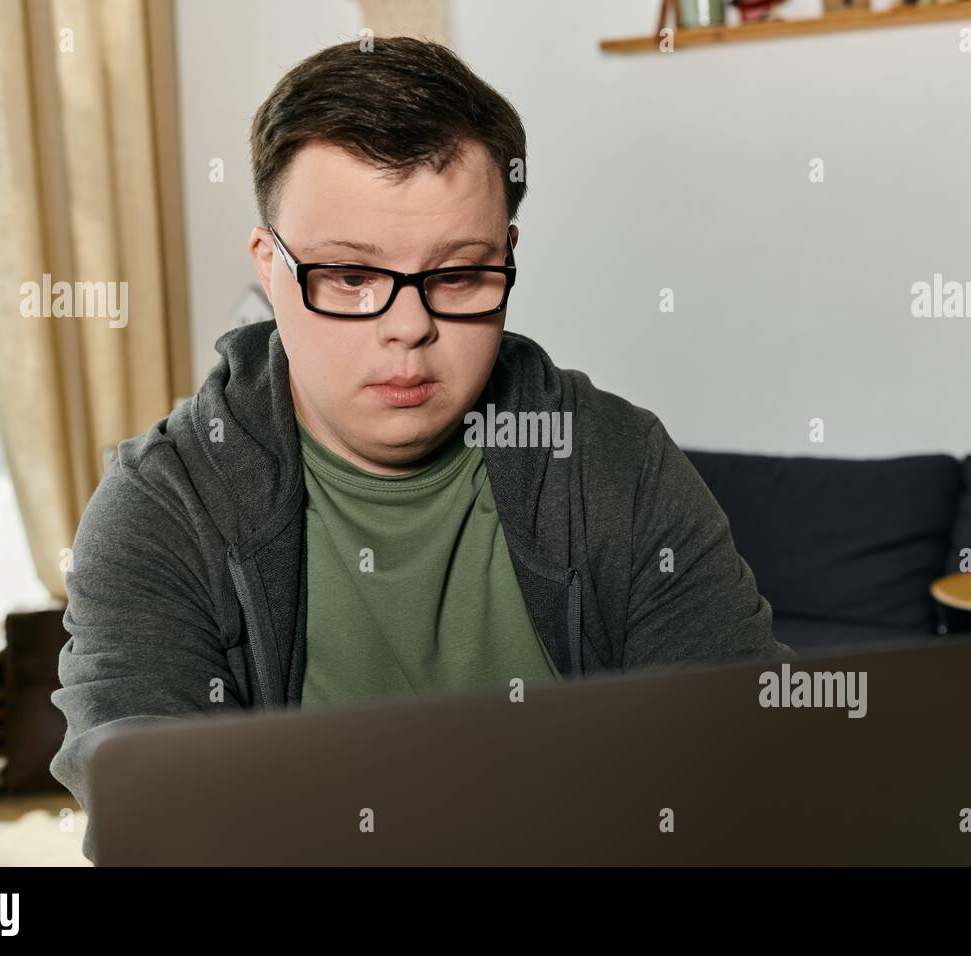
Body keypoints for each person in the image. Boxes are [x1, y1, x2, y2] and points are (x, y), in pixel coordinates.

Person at [51, 36, 787, 862]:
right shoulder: (159, 508)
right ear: (272, 269)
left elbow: (744, 760)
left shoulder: (618, 461)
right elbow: (154, 823)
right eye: (350, 277)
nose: (409, 326)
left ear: (507, 259)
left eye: (459, 275)